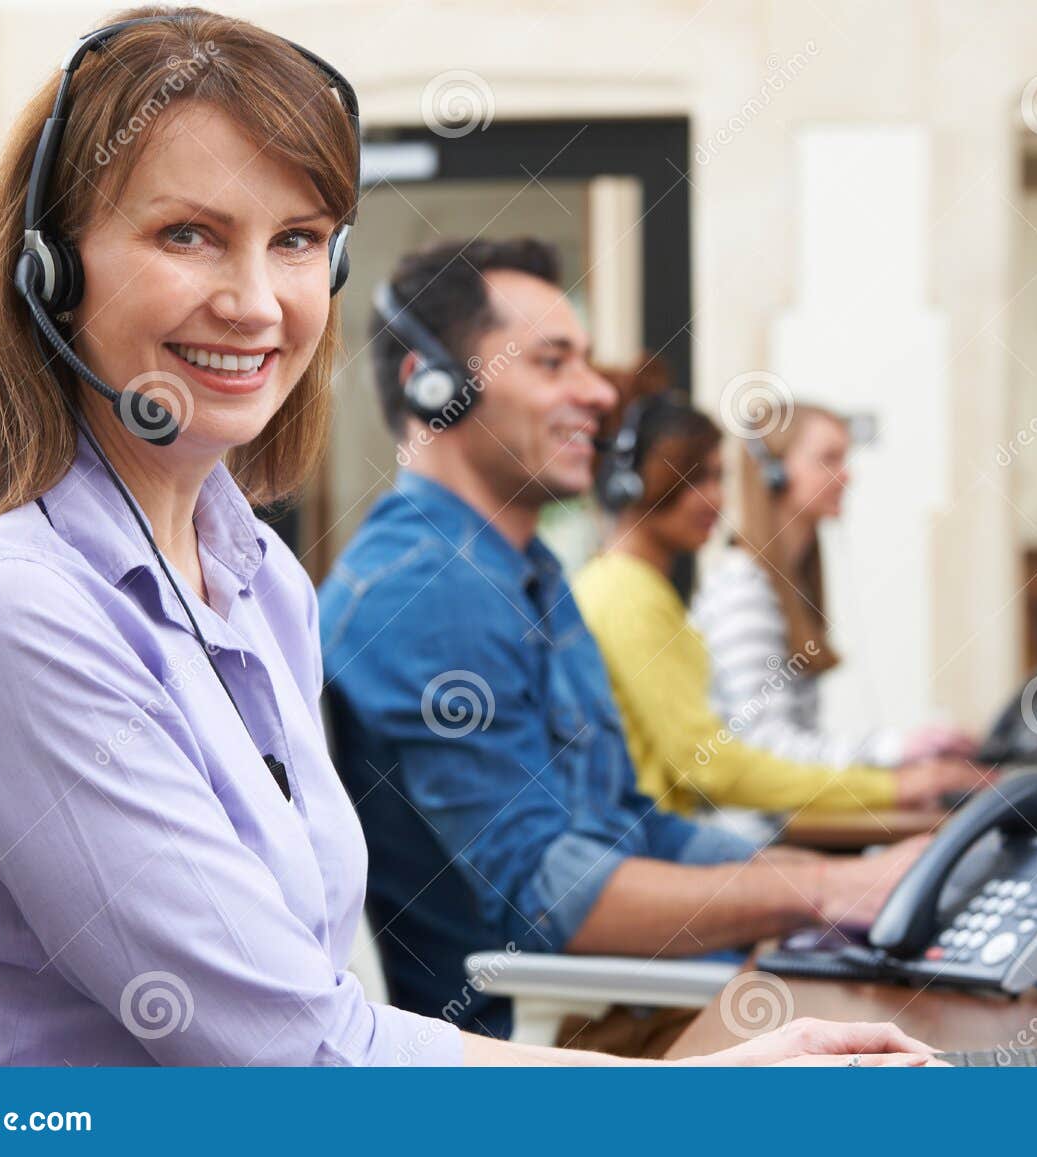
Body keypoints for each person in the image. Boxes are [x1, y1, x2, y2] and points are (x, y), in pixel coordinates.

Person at [0, 8, 936, 1069]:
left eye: (297, 240)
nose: (256, 301)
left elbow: (308, 1011)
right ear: (50, 273)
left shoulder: (261, 584)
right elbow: (292, 1054)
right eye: (188, 233)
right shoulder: (5, 609)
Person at [319, 237, 940, 1046]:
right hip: (536, 1036)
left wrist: (851, 880)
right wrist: (825, 891)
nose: (595, 393)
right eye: (552, 363)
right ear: (433, 386)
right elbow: (550, 899)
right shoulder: (428, 592)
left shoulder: (524, 568)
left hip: (612, 995)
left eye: (583, 360)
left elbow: (631, 821)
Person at [574, 385, 987, 821]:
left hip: (692, 833)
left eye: (719, 478)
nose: (716, 498)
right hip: (704, 836)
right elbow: (715, 763)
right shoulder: (642, 594)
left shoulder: (644, 590)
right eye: (828, 459)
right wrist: (892, 777)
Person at [691, 403, 977, 769]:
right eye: (828, 459)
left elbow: (794, 740)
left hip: (791, 817)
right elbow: (762, 745)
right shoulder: (743, 588)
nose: (847, 476)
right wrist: (890, 751)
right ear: (773, 474)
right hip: (755, 825)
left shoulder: (790, 583)